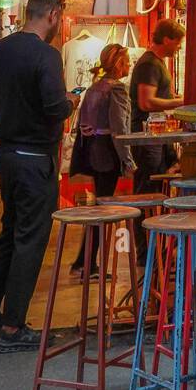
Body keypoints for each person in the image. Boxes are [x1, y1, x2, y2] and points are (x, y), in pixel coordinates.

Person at [0, 0, 78, 352]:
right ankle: (13, 328)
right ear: (52, 16)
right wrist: (71, 102)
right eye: (59, 18)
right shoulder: (47, 55)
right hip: (35, 159)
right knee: (30, 240)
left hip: (7, 156)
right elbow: (54, 107)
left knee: (10, 233)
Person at [67, 43, 135, 279]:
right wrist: (128, 160)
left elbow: (82, 125)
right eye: (126, 61)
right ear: (118, 64)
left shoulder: (95, 87)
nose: (129, 65)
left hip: (91, 150)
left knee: (99, 207)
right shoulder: (117, 90)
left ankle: (82, 262)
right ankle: (87, 265)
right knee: (102, 209)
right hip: (107, 153)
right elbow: (120, 129)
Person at [129, 18, 185, 256]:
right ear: (167, 39)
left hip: (155, 135)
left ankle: (154, 248)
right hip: (147, 135)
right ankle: (146, 250)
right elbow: (146, 102)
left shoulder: (155, 63)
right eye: (178, 42)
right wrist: (183, 101)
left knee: (154, 187)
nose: (179, 47)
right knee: (147, 190)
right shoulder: (149, 64)